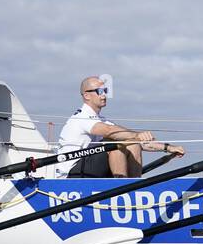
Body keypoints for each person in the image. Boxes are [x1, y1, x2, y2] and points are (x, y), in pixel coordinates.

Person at [56, 76, 184, 178]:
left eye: (105, 91)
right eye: (99, 91)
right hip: (72, 174)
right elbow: (109, 131)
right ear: (86, 95)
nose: (104, 95)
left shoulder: (101, 119)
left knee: (132, 143)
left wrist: (169, 147)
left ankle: (133, 187)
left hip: (90, 168)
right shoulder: (81, 117)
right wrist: (136, 135)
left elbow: (141, 142)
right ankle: (121, 187)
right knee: (116, 142)